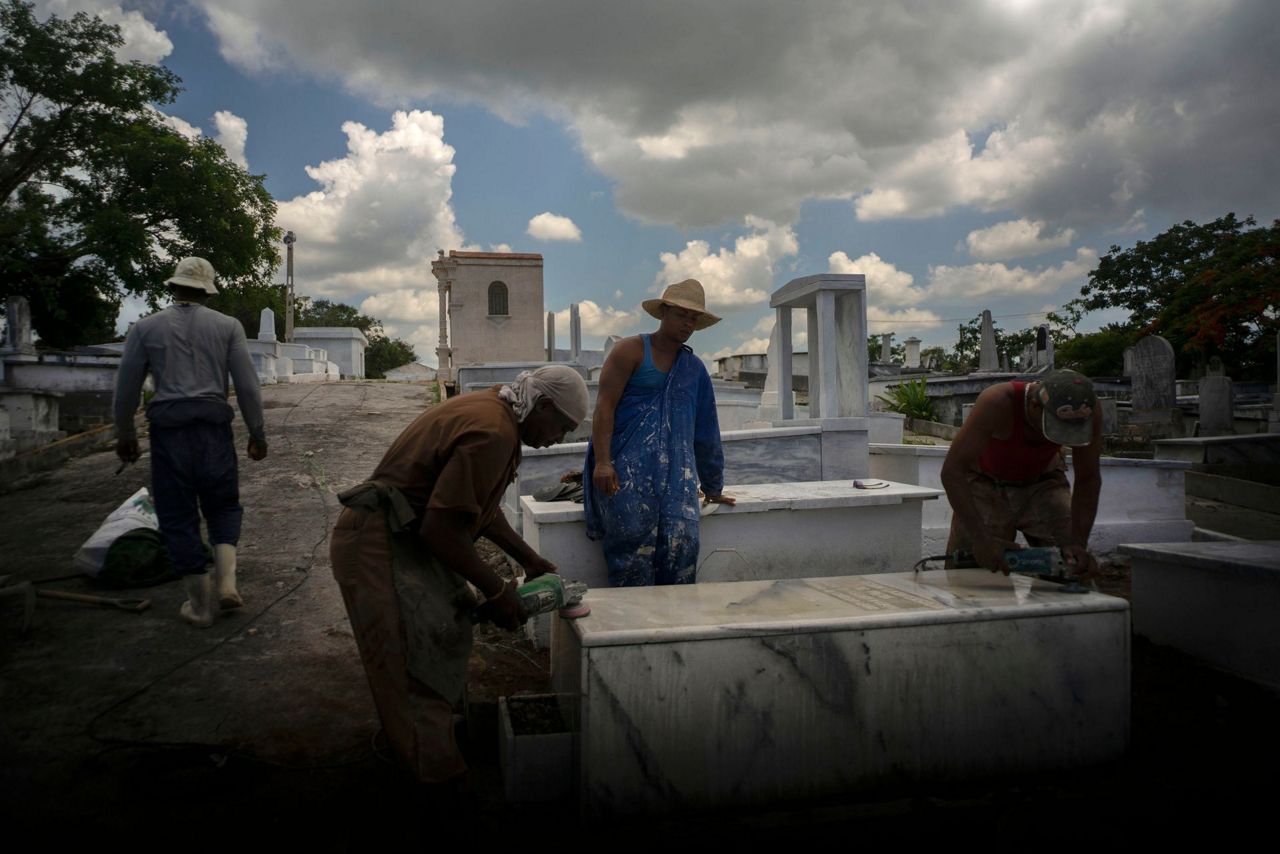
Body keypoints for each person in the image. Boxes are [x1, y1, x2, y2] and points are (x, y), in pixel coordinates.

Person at [329, 365, 587, 787]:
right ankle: (442, 785)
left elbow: (478, 509)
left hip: (402, 537)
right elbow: (442, 530)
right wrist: (497, 590)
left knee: (444, 632)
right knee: (414, 666)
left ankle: (438, 749)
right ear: (542, 405)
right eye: (562, 427)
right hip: (378, 542)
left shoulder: (499, 414)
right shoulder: (494, 431)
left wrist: (529, 560)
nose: (559, 439)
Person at [113, 256, 268, 627]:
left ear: (173, 287)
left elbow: (126, 389)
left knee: (177, 515)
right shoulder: (228, 326)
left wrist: (125, 434)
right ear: (208, 292)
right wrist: (257, 433)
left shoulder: (144, 328)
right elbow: (248, 386)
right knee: (223, 505)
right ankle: (227, 584)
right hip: (213, 428)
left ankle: (199, 607)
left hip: (169, 433)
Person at [585, 278, 734, 587]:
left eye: (693, 318)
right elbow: (604, 408)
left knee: (681, 557)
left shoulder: (694, 370)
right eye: (681, 315)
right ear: (664, 312)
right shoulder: (630, 351)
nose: (688, 323)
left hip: (679, 486)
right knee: (630, 563)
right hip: (627, 479)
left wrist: (713, 486)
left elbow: (706, 431)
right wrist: (602, 463)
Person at [940, 369, 1102, 576]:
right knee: (969, 570)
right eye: (1056, 429)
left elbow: (1088, 478)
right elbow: (952, 471)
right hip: (985, 484)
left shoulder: (1087, 409)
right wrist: (980, 538)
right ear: (1034, 406)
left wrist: (1078, 542)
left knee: (1072, 565)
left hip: (1043, 483)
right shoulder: (997, 401)